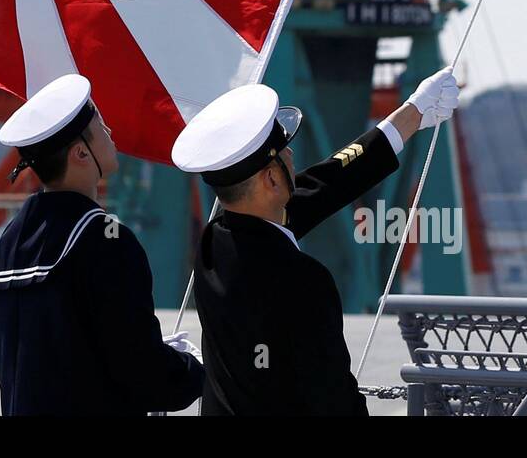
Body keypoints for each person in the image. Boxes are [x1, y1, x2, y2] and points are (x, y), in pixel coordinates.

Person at [171, 67, 461, 415]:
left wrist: (409, 116)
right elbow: (333, 398)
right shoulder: (302, 280)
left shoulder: (214, 242)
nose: (292, 158)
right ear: (271, 182)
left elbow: (322, 186)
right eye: (284, 154)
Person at [0, 74, 204, 415]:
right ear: (81, 152)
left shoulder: (6, 247)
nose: (110, 131)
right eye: (100, 123)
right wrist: (192, 367)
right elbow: (147, 378)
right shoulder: (105, 243)